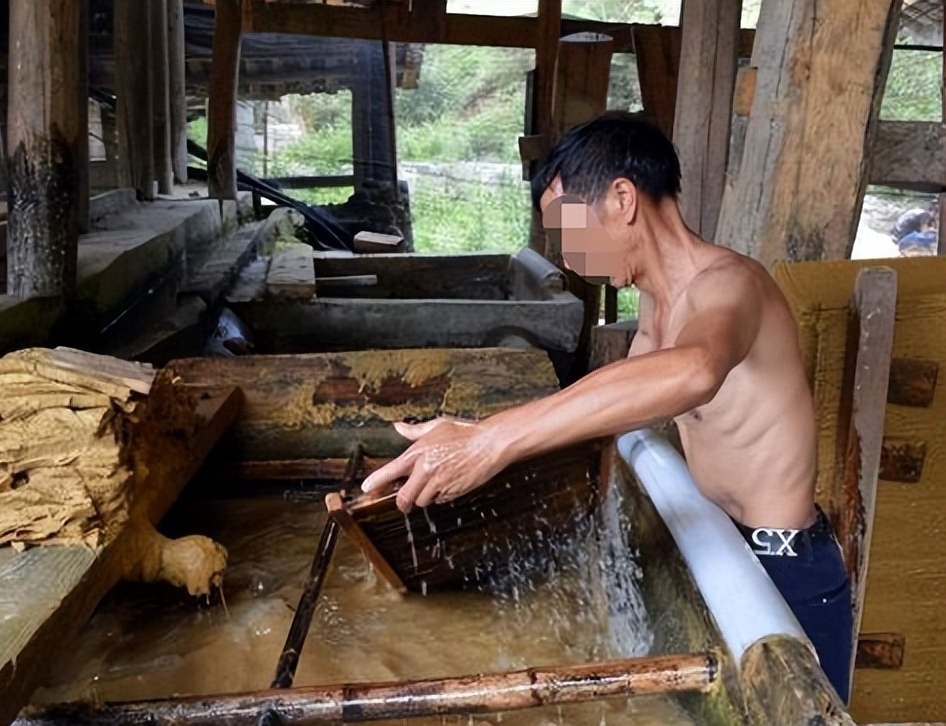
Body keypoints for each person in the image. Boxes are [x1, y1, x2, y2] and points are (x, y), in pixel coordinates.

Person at [360, 113, 853, 701]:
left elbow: (696, 371)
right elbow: (612, 407)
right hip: (719, 556)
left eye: (568, 231)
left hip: (784, 571)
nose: (568, 255)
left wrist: (496, 438)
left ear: (622, 198)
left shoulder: (731, 283)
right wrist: (472, 446)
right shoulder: (656, 306)